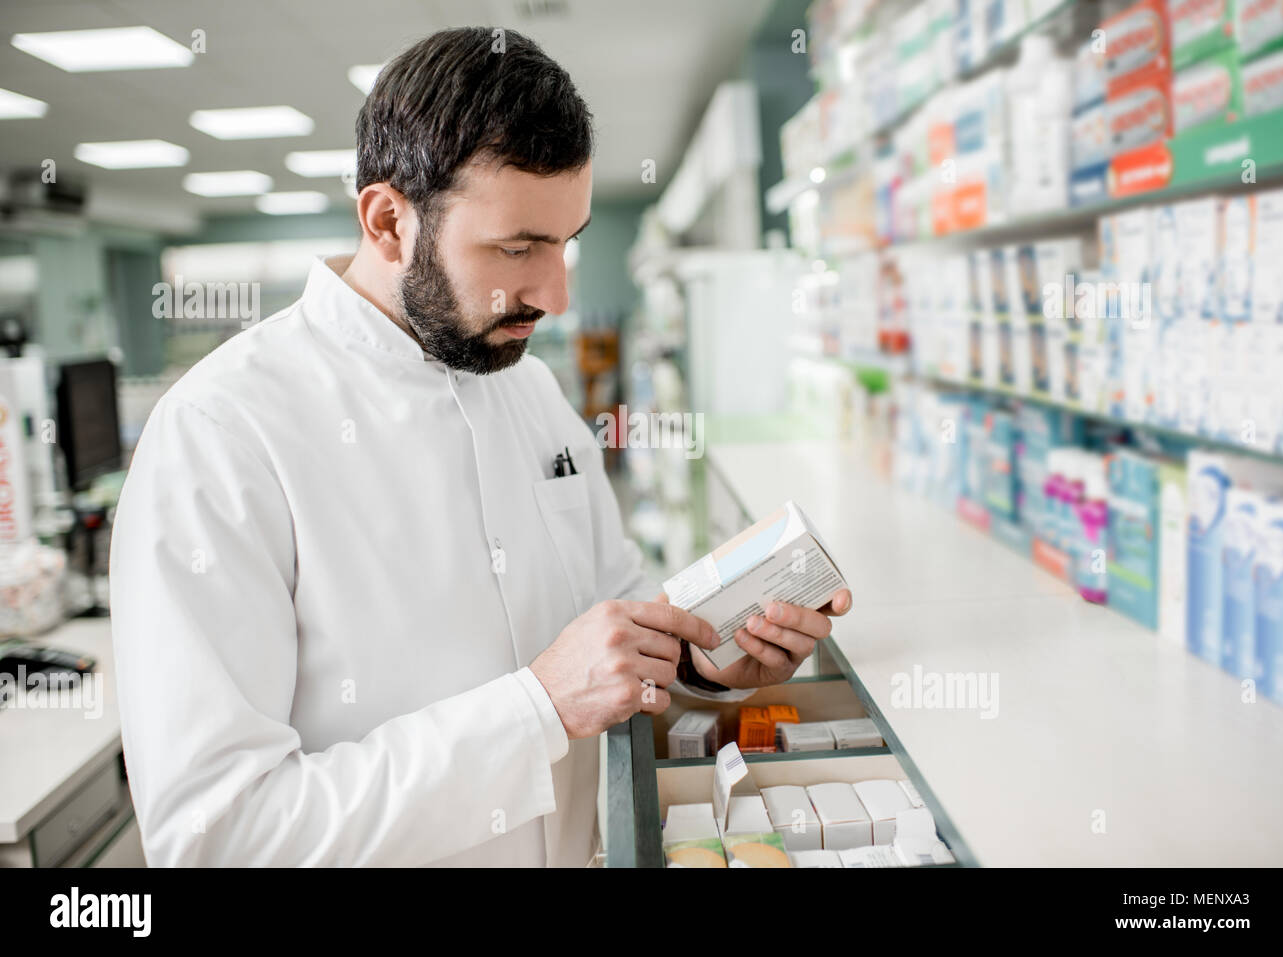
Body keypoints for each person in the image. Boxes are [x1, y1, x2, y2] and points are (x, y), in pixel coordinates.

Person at [108, 26, 852, 867]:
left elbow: (610, 605)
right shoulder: (221, 434)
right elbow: (218, 837)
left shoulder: (525, 385)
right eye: (517, 248)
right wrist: (537, 707)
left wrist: (709, 659)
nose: (558, 293)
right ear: (389, 220)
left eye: (565, 242)